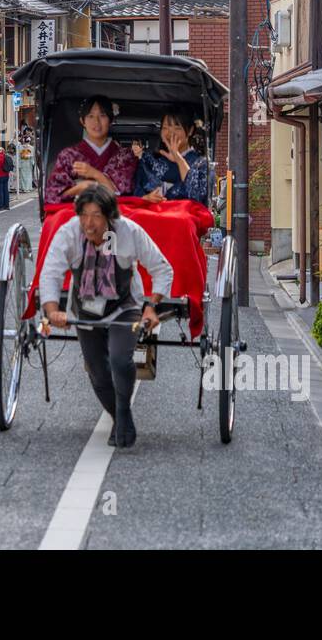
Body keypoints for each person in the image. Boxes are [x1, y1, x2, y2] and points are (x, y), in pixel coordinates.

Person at [40, 184, 173, 448]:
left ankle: (122, 413)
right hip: (85, 308)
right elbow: (51, 272)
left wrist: (151, 305)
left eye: (97, 216)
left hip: (125, 307)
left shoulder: (128, 232)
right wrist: (52, 310)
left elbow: (162, 268)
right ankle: (120, 416)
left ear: (110, 216)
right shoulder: (70, 233)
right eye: (84, 215)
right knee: (98, 372)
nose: (89, 224)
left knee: (120, 360)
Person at [43, 94, 138, 204]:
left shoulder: (124, 155)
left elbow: (123, 195)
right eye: (90, 116)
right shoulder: (68, 155)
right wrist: (79, 189)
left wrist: (94, 174)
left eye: (102, 116)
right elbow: (52, 196)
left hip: (114, 214)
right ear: (82, 121)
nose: (96, 122)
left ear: (111, 120)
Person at [130, 109, 211, 204]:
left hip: (183, 216)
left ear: (190, 131)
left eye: (177, 128)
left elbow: (196, 195)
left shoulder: (201, 163)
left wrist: (178, 159)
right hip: (151, 214)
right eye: (165, 128)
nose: (170, 133)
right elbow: (137, 191)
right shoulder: (149, 160)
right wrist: (146, 198)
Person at [0, 142, 14, 210]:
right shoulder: (5, 156)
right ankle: (7, 205)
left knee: (0, 191)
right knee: (6, 190)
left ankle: (1, 206)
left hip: (0, 176)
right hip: (6, 175)